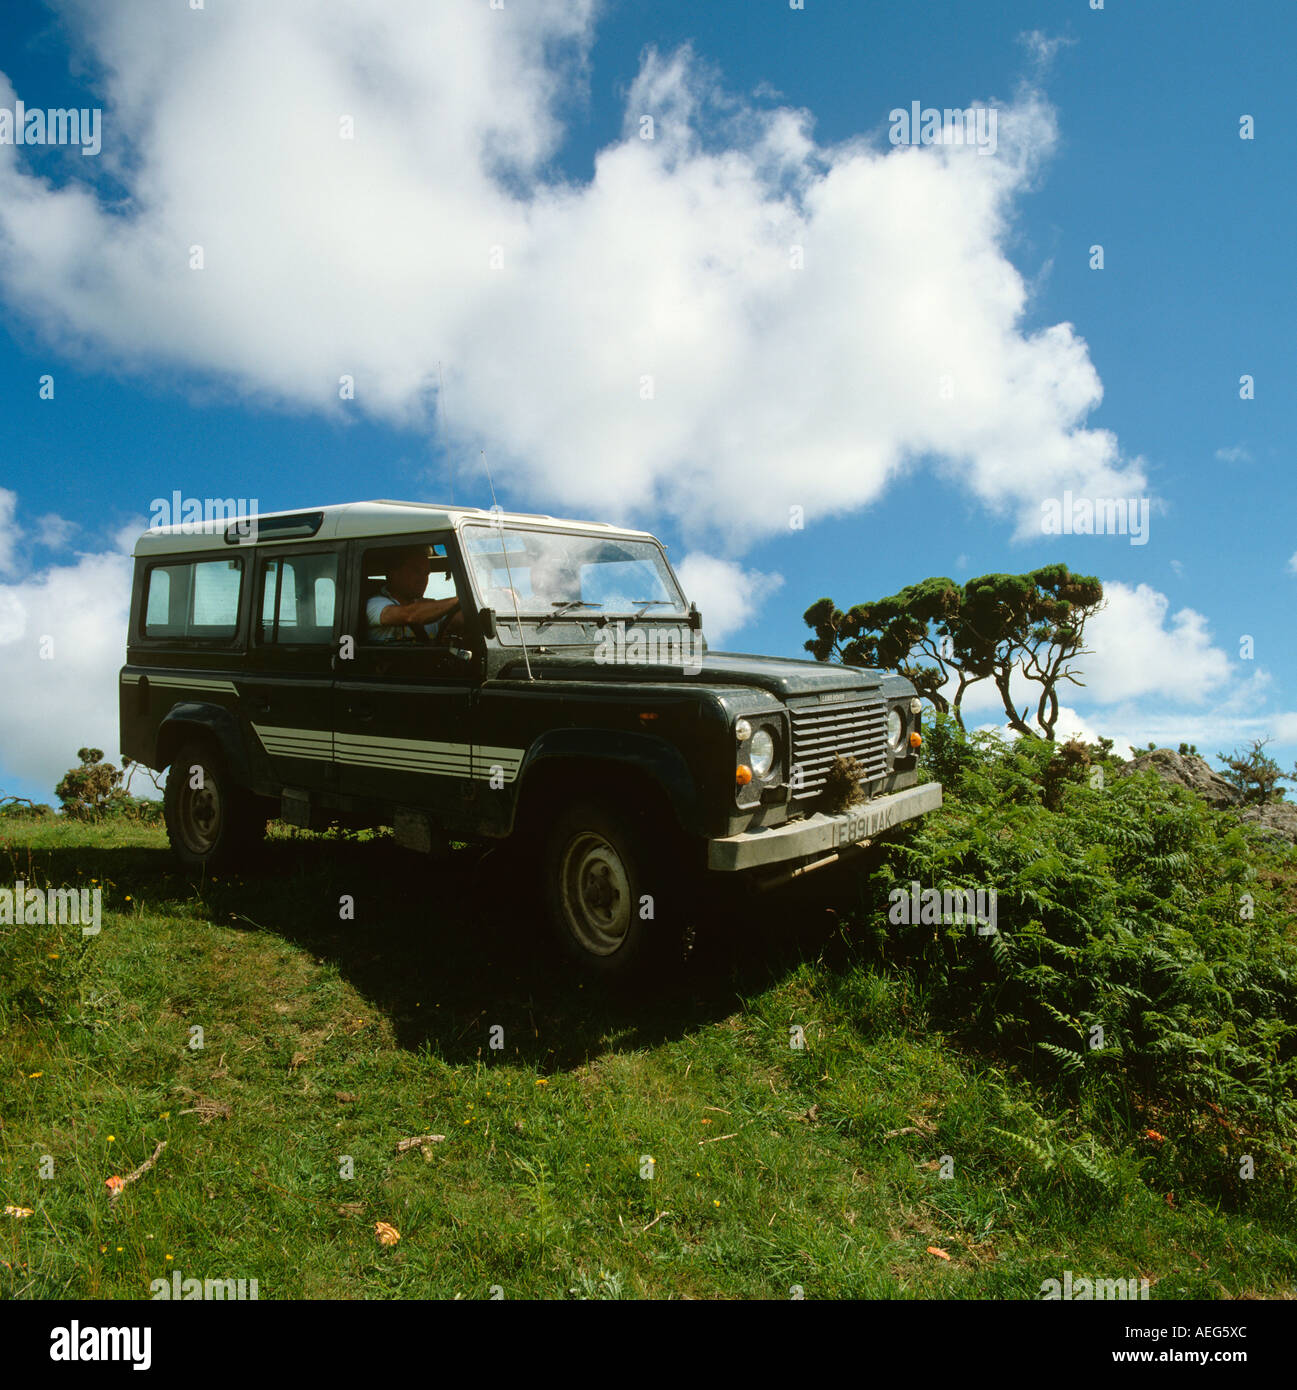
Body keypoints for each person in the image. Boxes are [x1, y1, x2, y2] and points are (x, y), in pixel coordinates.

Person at [365, 546, 465, 644]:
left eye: (426, 573)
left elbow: (457, 620)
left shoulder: (429, 608)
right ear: (393, 573)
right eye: (417, 571)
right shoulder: (375, 604)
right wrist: (459, 599)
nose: (423, 579)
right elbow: (409, 615)